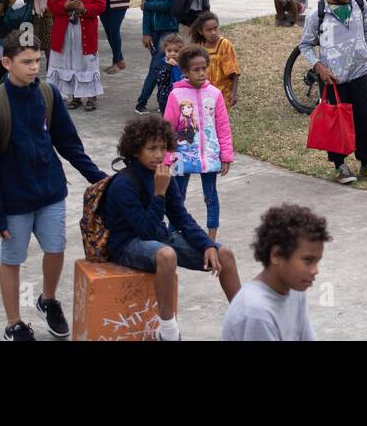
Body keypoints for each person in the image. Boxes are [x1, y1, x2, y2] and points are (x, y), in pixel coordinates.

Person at [0, 29, 107, 341]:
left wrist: (99, 178)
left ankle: (47, 300)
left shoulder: (48, 94)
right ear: (6, 63)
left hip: (50, 193)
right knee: (12, 259)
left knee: (56, 248)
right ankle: (13, 323)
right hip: (14, 202)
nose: (34, 67)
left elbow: (69, 144)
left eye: (37, 60)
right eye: (26, 62)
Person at [103, 115, 240, 341]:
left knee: (224, 254)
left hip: (159, 237)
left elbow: (181, 218)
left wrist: (207, 244)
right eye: (152, 148)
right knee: (166, 255)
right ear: (136, 150)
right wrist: (159, 192)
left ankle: (244, 321)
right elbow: (144, 230)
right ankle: (168, 331)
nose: (159, 155)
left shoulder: (164, 174)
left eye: (163, 148)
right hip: (126, 244)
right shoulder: (123, 183)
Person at [298, 0, 367, 184]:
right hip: (332, 79)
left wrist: (364, 49)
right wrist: (320, 68)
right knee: (337, 123)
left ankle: (366, 164)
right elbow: (306, 45)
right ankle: (340, 166)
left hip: (358, 73)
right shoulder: (317, 14)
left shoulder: (359, 2)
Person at [221, 203, 328, 341]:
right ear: (277, 255)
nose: (315, 271)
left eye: (317, 261)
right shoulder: (256, 311)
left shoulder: (295, 289)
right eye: (308, 260)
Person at [164, 44, 234, 242]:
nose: (202, 73)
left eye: (204, 68)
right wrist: (168, 157)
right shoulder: (176, 95)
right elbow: (168, 129)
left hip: (210, 156)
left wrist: (226, 155)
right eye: (196, 69)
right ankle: (172, 236)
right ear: (185, 71)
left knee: (211, 197)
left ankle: (211, 238)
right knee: (178, 197)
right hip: (182, 156)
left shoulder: (215, 94)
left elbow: (223, 126)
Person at [45, 0, 106, 111]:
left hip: (85, 34)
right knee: (70, 62)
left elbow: (101, 5)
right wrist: (65, 6)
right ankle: (75, 96)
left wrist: (85, 9)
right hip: (65, 34)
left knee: (86, 63)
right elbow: (51, 4)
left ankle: (91, 97)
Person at [136, 0, 179, 113]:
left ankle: (142, 102)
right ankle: (161, 102)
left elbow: (169, 5)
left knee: (157, 66)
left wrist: (147, 4)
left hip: (168, 30)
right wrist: (145, 33)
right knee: (160, 66)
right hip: (153, 32)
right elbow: (146, 12)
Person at [190, 11, 240, 107]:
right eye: (208, 30)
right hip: (203, 92)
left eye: (215, 28)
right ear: (201, 31)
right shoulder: (198, 46)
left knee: (220, 120)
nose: (213, 32)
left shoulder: (225, 44)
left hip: (223, 94)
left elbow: (234, 71)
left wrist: (233, 93)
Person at [149, 34, 185, 115]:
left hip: (180, 98)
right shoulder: (162, 63)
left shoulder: (183, 64)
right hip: (165, 99)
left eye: (176, 51)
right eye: (169, 51)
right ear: (165, 50)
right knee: (167, 121)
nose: (172, 53)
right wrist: (168, 66)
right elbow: (160, 79)